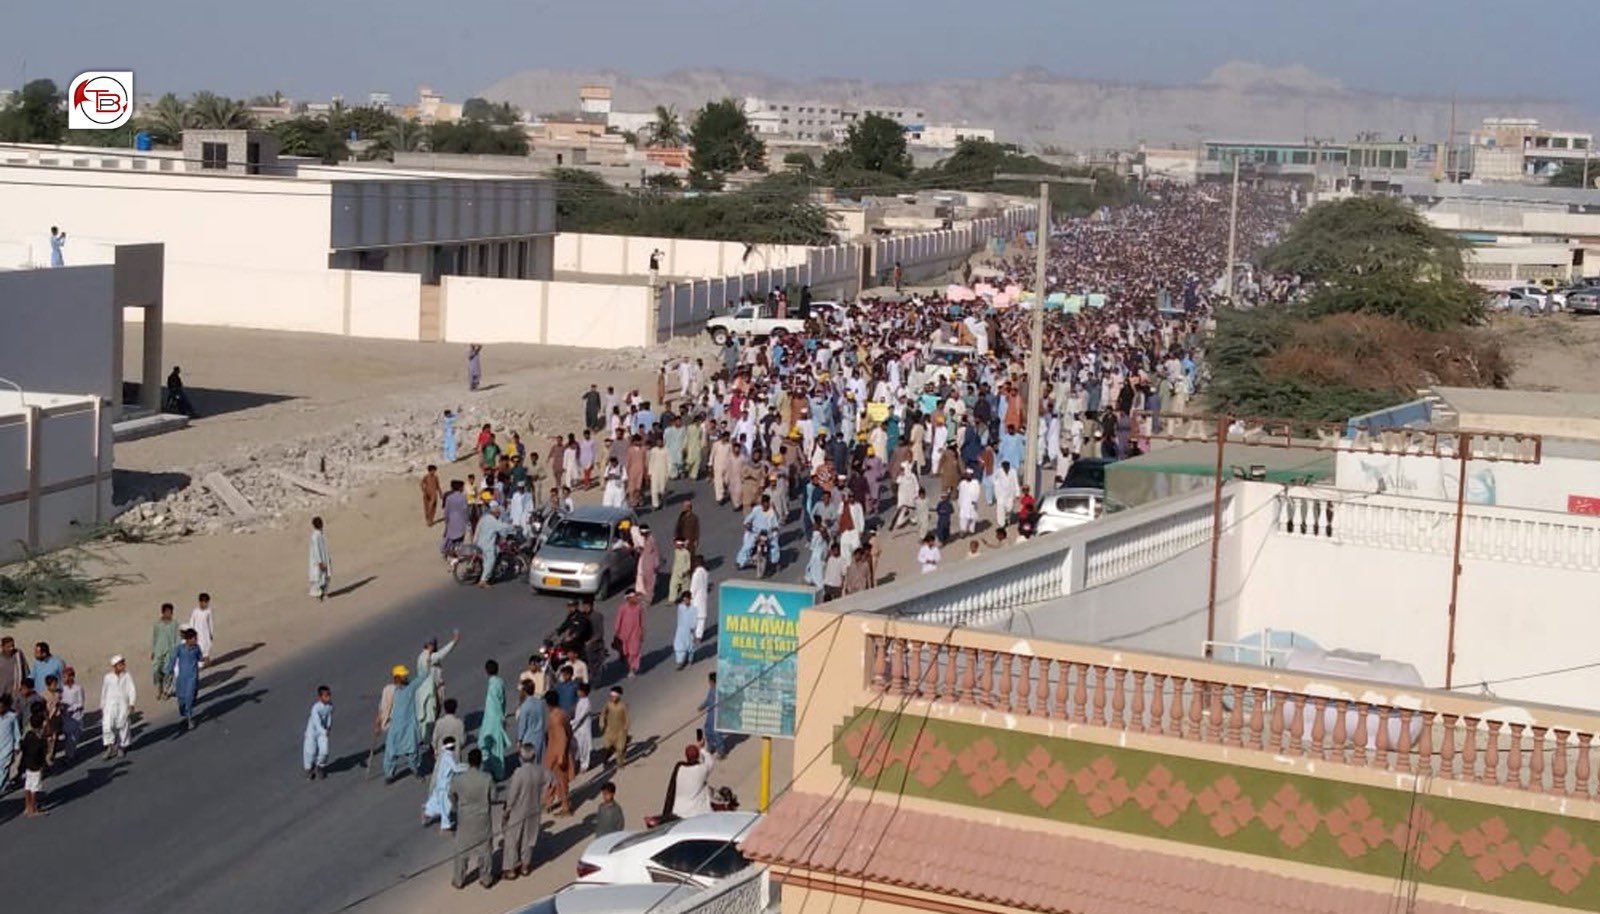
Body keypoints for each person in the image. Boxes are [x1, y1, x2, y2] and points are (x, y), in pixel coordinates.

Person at [500, 743, 549, 880]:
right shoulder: (540, 771)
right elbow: (551, 781)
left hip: (518, 810)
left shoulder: (519, 773)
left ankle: (511, 869)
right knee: (528, 839)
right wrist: (544, 799)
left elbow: (512, 795)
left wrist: (507, 810)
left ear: (521, 757)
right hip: (534, 809)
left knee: (512, 839)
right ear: (533, 756)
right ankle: (525, 867)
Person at [450, 748, 496, 888]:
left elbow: (451, 795)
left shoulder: (458, 779)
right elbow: (493, 797)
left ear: (468, 762)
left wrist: (457, 806)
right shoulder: (487, 778)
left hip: (465, 818)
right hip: (482, 818)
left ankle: (459, 879)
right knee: (485, 850)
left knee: (461, 850)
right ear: (480, 761)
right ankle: (486, 878)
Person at [381, 666, 423, 781]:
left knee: (413, 751)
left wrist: (428, 662)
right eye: (404, 675)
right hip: (395, 728)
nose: (406, 677)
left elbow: (422, 678)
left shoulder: (410, 688)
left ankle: (414, 769)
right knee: (391, 753)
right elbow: (384, 707)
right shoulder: (389, 690)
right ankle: (389, 774)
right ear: (398, 677)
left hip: (409, 727)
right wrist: (379, 721)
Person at [660, 741, 715, 821]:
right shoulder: (702, 769)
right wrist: (702, 749)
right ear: (697, 756)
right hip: (698, 813)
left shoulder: (680, 768)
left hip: (678, 811)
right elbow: (710, 762)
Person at [542, 690, 573, 816]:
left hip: (557, 754)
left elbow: (562, 737)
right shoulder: (562, 713)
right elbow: (569, 732)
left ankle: (565, 807)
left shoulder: (555, 718)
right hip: (555, 752)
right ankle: (548, 801)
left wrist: (561, 756)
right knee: (553, 780)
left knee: (560, 781)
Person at [100, 655, 136, 759]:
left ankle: (122, 746)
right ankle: (110, 747)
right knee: (107, 726)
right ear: (115, 666)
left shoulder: (127, 676)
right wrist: (102, 705)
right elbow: (104, 691)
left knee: (123, 725)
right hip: (109, 705)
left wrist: (132, 703)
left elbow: (131, 689)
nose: (123, 666)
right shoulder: (108, 677)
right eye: (120, 664)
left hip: (123, 704)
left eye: (123, 664)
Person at [478, 660, 509, 781]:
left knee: (488, 745)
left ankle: (494, 771)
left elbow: (495, 703)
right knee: (495, 746)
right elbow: (502, 701)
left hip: (492, 720)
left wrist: (501, 717)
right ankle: (495, 771)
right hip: (496, 718)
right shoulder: (500, 682)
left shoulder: (493, 685)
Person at [423, 736, 459, 830]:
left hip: (440, 783)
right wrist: (467, 768)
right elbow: (455, 768)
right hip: (445, 784)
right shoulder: (448, 757)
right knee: (445, 803)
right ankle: (446, 824)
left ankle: (428, 813)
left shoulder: (444, 755)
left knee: (437, 800)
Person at [736, 494, 780, 570]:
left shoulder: (772, 513)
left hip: (767, 534)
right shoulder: (756, 510)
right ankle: (740, 562)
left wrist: (774, 529)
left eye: (767, 503)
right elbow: (748, 520)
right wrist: (747, 525)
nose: (766, 505)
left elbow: (776, 525)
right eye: (764, 503)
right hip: (755, 533)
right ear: (762, 503)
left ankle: (774, 562)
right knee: (748, 546)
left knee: (774, 546)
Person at [171, 628, 203, 731]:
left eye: (196, 638)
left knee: (190, 697)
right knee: (181, 699)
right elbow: (173, 659)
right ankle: (185, 714)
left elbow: (200, 657)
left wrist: (204, 660)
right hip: (182, 678)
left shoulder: (196, 648)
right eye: (194, 638)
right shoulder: (180, 649)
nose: (196, 640)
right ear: (188, 639)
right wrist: (168, 671)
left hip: (192, 677)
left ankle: (189, 719)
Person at [612, 590, 645, 677]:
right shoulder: (622, 608)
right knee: (626, 652)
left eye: (636, 597)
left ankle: (632, 669)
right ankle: (627, 663)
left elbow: (641, 621)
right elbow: (618, 620)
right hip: (624, 634)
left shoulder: (639, 608)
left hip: (635, 634)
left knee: (634, 652)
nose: (636, 599)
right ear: (628, 598)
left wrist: (641, 632)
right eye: (634, 597)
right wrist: (616, 632)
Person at [20, 710, 47, 817]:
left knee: (28, 786)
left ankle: (27, 807)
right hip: (36, 766)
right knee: (34, 788)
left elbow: (23, 747)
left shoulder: (28, 735)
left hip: (27, 764)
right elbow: (41, 754)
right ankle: (33, 808)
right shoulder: (39, 740)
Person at [303, 686, 333, 780]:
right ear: (320, 697)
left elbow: (329, 716)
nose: (328, 697)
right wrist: (324, 731)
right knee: (310, 752)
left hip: (322, 732)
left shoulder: (330, 705)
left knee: (325, 750)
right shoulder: (315, 708)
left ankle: (320, 766)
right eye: (326, 695)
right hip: (312, 732)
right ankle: (309, 769)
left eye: (329, 694)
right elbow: (316, 723)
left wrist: (328, 727)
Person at [150, 603, 178, 700]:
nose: (169, 614)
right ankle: (159, 689)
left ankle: (166, 691)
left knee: (168, 672)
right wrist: (153, 651)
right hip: (158, 651)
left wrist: (176, 652)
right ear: (163, 613)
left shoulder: (174, 624)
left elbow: (177, 638)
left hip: (170, 651)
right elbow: (154, 638)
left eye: (170, 612)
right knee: (156, 671)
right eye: (167, 612)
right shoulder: (157, 624)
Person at [599, 686, 629, 768]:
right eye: (611, 696)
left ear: (618, 696)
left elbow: (627, 717)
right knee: (607, 746)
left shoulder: (623, 706)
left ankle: (620, 763)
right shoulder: (608, 705)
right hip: (609, 729)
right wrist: (601, 723)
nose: (612, 698)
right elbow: (603, 714)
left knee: (620, 748)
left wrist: (626, 727)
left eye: (614, 696)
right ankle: (605, 760)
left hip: (620, 731)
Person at [58, 666, 84, 761]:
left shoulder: (78, 688)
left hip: (75, 716)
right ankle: (69, 755)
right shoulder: (62, 689)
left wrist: (72, 709)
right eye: (63, 677)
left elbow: (81, 703)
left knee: (74, 736)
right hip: (65, 717)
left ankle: (71, 754)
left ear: (72, 677)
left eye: (66, 677)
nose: (64, 679)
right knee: (68, 737)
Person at [515, 680, 545, 758]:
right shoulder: (540, 703)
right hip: (539, 738)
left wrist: (519, 740)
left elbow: (522, 726)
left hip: (528, 739)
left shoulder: (525, 706)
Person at [700, 673, 726, 758]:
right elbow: (708, 699)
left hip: (717, 715)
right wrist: (702, 706)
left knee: (717, 733)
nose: (709, 682)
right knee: (707, 730)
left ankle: (721, 751)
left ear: (712, 681)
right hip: (710, 714)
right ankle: (710, 746)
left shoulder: (720, 691)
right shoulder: (711, 689)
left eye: (709, 681)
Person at [433, 697, 465, 765]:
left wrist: (435, 749)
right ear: (455, 709)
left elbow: (434, 739)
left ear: (445, 709)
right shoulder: (459, 723)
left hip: (441, 752)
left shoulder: (439, 722)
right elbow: (462, 740)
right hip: (455, 753)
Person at [440, 480, 469, 555]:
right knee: (460, 539)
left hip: (451, 521)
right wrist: (467, 520)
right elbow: (465, 510)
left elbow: (446, 511)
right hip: (461, 521)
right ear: (460, 488)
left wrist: (446, 521)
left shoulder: (449, 498)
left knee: (452, 538)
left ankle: (451, 552)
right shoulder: (463, 498)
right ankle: (457, 553)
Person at [572, 681, 594, 775]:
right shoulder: (580, 701)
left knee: (584, 747)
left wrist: (571, 724)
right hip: (578, 729)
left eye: (579, 691)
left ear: (583, 692)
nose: (577, 692)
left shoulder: (586, 703)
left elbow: (580, 718)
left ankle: (584, 765)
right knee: (578, 747)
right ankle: (578, 763)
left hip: (583, 729)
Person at [634, 525, 661, 603]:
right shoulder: (646, 540)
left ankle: (648, 599)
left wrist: (656, 564)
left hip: (651, 564)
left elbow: (656, 552)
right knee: (645, 581)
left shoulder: (651, 540)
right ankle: (646, 597)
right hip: (645, 564)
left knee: (650, 583)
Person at [308, 516, 332, 600]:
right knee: (318, 577)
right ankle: (319, 595)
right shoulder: (315, 536)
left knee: (325, 577)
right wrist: (320, 562)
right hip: (319, 561)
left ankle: (324, 593)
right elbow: (316, 550)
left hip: (324, 558)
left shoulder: (321, 534)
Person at [188, 593, 215, 666]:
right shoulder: (195, 611)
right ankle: (199, 663)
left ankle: (206, 661)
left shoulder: (208, 611)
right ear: (200, 602)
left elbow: (210, 623)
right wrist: (190, 634)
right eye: (204, 602)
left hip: (205, 633)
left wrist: (211, 633)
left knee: (206, 647)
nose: (205, 604)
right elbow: (191, 623)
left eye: (207, 602)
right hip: (197, 633)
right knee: (198, 648)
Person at [672, 591, 697, 670]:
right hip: (680, 630)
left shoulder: (694, 609)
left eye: (687, 599)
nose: (685, 601)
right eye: (684, 600)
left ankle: (689, 661)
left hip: (689, 631)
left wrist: (693, 629)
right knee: (678, 646)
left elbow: (694, 620)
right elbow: (677, 602)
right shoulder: (680, 607)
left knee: (690, 647)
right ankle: (679, 663)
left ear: (690, 599)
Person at [0, 695, 16, 791]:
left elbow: (16, 732)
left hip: (7, 747)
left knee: (3, 768)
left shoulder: (12, 717)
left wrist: (16, 745)